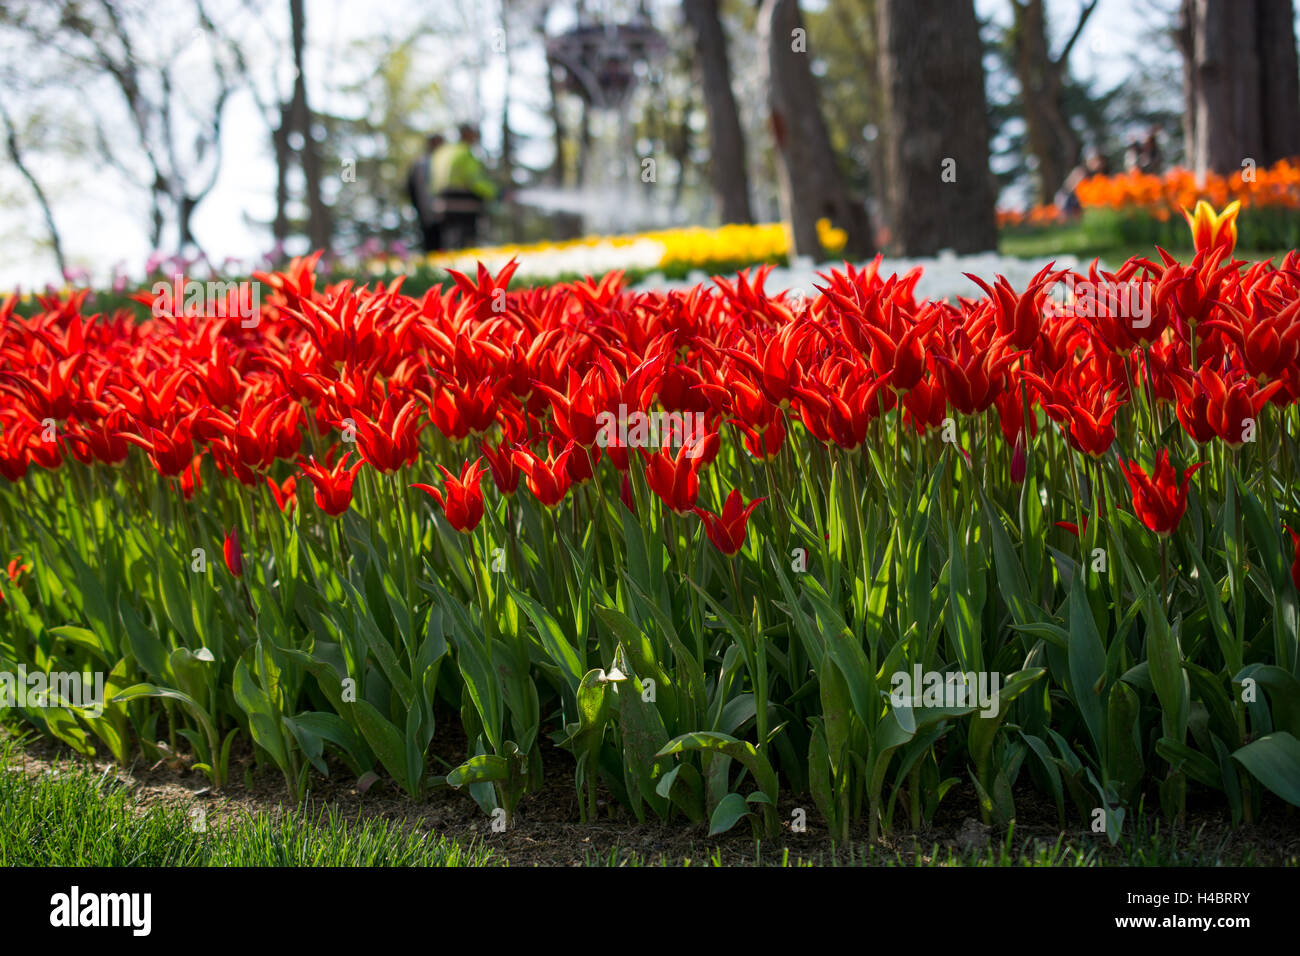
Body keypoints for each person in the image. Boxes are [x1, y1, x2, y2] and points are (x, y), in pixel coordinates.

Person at [430, 124, 499, 250]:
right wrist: (495, 192)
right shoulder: (465, 153)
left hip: (441, 203)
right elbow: (475, 180)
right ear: (466, 134)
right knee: (465, 241)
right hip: (464, 203)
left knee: (447, 241)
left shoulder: (442, 152)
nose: (475, 138)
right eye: (473, 134)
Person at [407, 133, 444, 253]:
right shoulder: (421, 163)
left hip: (444, 211)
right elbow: (411, 187)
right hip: (426, 209)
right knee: (431, 243)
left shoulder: (443, 163)